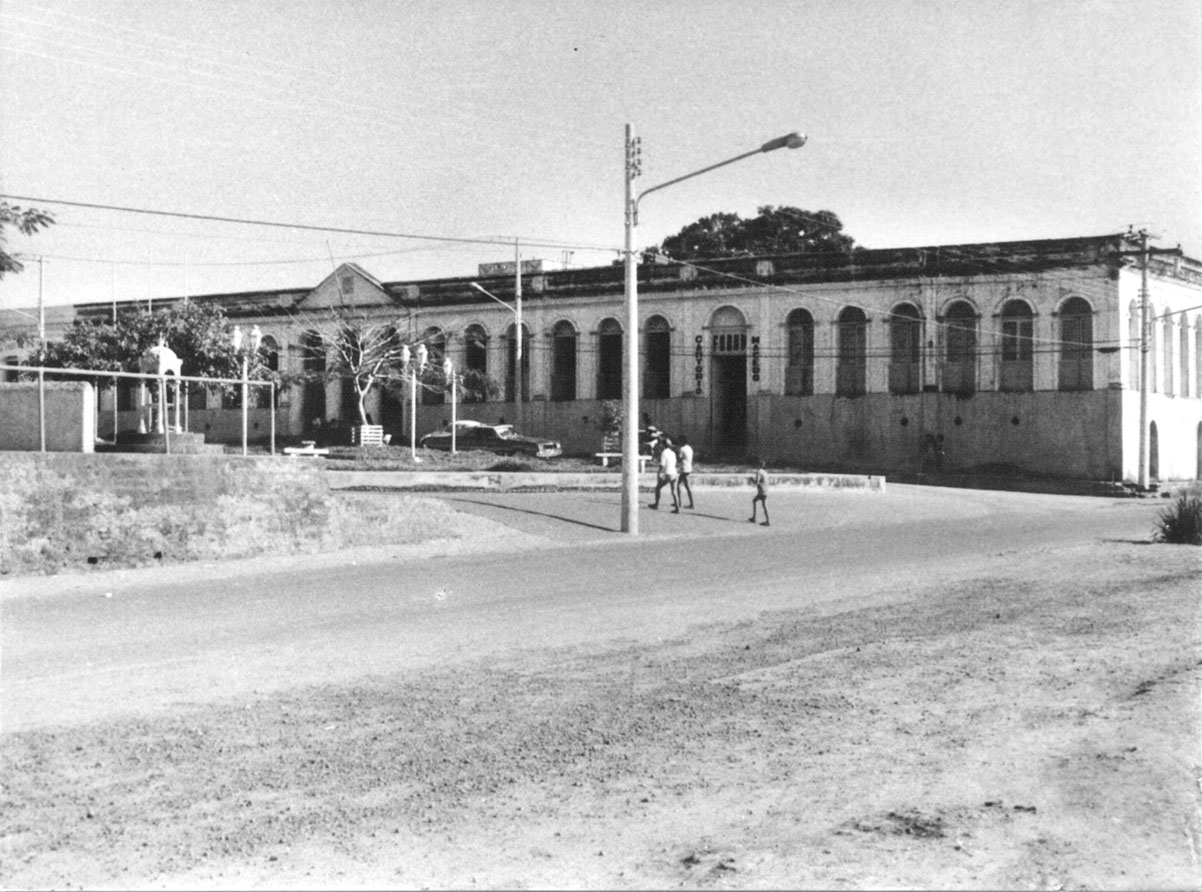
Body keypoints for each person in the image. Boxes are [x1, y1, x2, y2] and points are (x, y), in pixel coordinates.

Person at [649, 435, 680, 513]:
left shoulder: (664, 453)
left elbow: (662, 465)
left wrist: (659, 473)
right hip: (674, 473)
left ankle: (656, 504)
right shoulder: (673, 453)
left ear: (663, 445)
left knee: (658, 488)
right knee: (674, 491)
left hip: (668, 473)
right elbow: (675, 463)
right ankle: (677, 508)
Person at [749, 459, 770, 526]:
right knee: (756, 502)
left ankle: (766, 521)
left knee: (762, 505)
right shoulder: (765, 472)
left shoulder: (758, 472)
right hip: (766, 490)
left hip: (761, 491)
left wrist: (751, 480)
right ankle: (755, 518)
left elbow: (757, 482)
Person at [676, 435, 695, 509]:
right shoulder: (689, 448)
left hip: (684, 468)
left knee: (678, 485)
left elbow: (679, 458)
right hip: (689, 467)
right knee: (687, 486)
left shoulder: (682, 449)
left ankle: (679, 502)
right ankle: (690, 503)